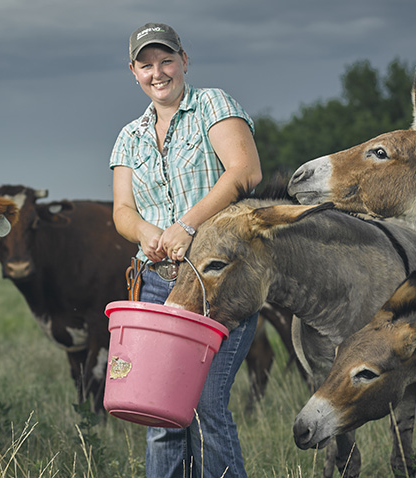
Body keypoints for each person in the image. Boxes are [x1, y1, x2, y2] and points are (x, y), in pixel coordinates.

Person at [109, 22, 263, 478]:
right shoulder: (129, 136)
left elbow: (245, 172)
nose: (158, 72)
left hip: (219, 279)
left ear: (184, 61)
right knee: (160, 411)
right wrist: (146, 232)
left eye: (166, 61)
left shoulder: (212, 105)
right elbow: (122, 209)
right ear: (133, 72)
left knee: (203, 406)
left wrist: (187, 225)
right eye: (146, 65)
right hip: (157, 284)